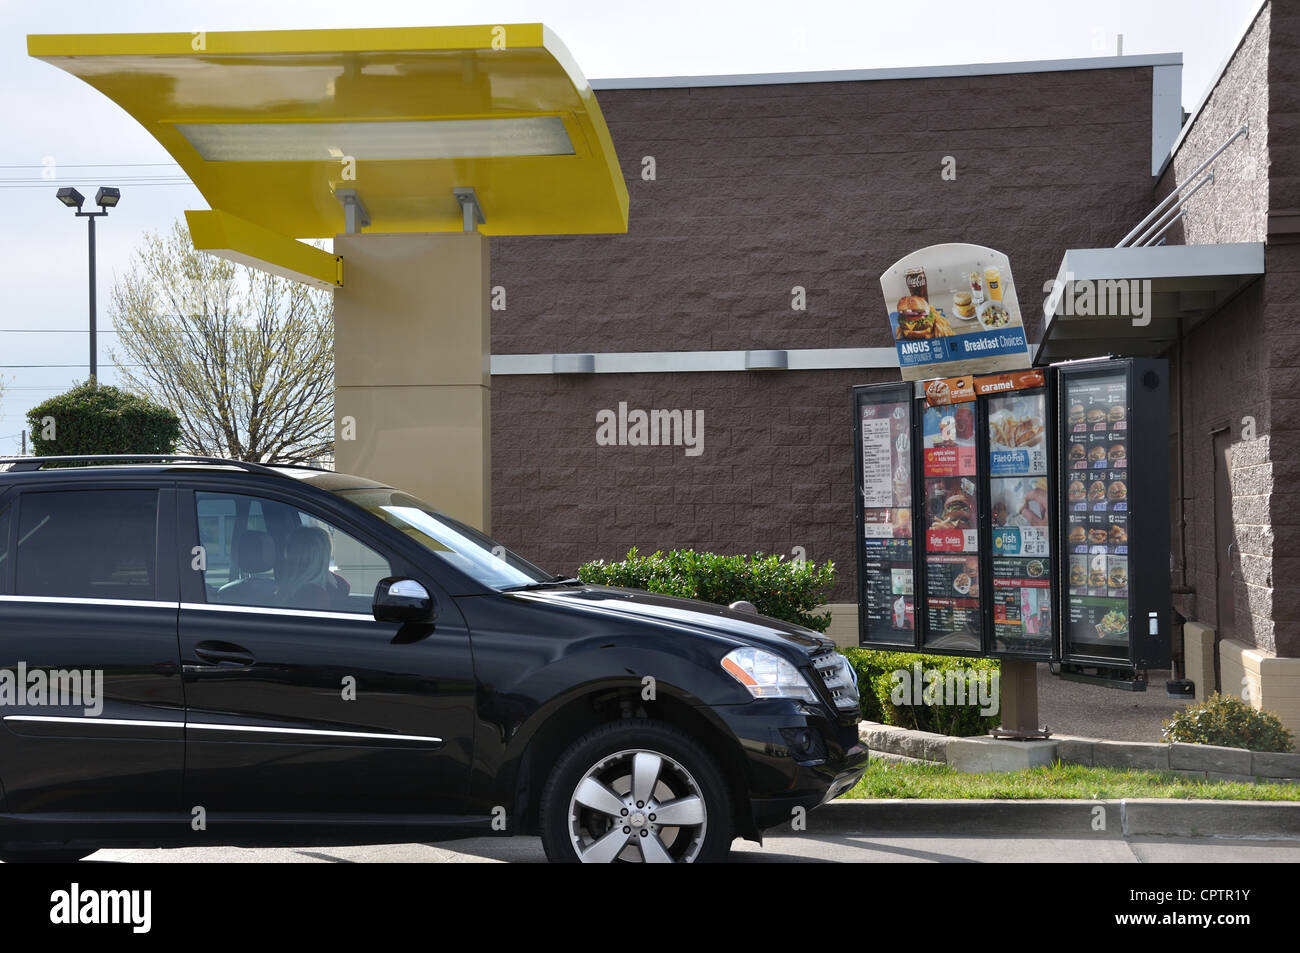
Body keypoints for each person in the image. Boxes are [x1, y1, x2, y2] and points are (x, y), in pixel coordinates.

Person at [278, 525, 347, 610]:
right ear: (322, 557)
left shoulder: (288, 586)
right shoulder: (314, 595)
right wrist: (325, 572)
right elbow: (344, 588)